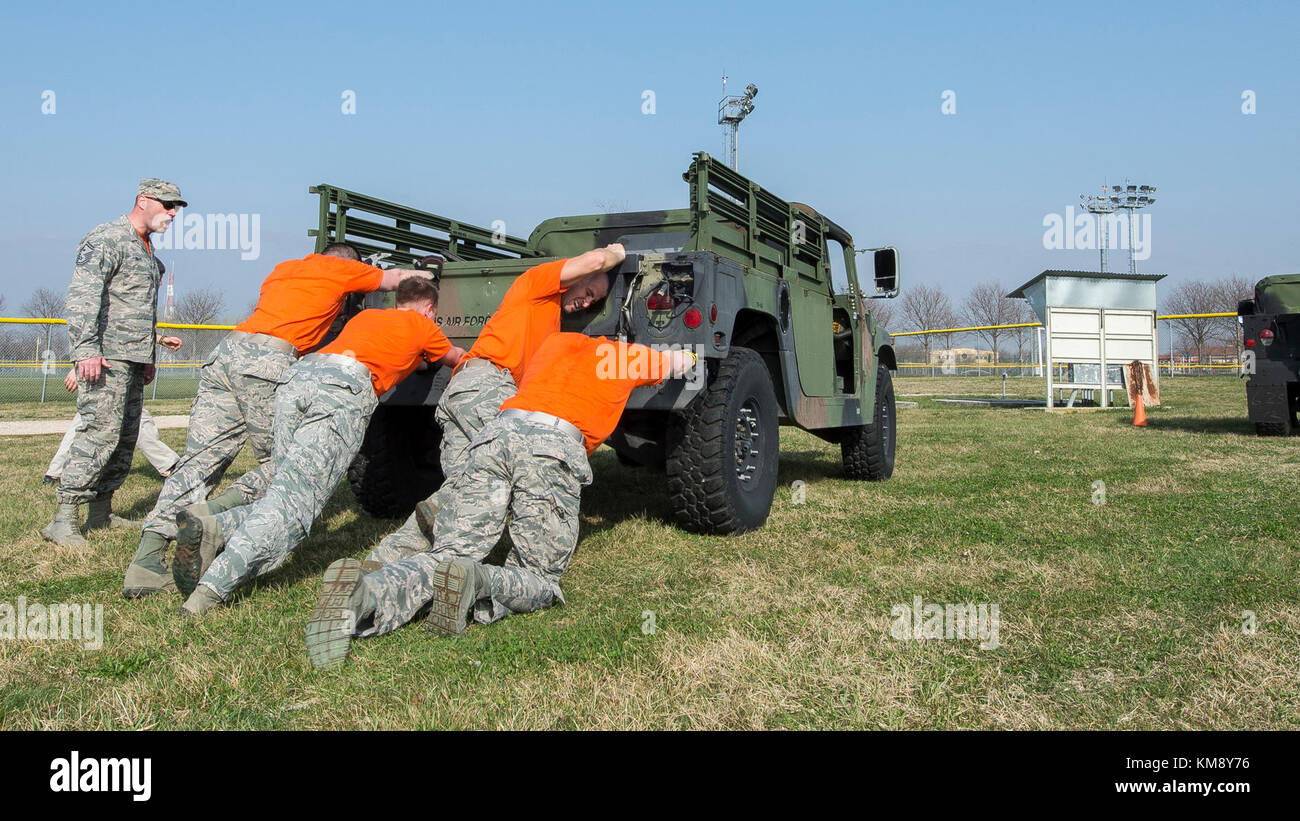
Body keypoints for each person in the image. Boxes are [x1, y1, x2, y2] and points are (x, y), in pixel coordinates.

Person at [304, 332, 696, 669]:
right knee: (541, 578)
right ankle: (479, 581)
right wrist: (690, 355)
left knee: (449, 552)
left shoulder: (554, 345)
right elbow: (678, 362)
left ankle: (363, 597)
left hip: (494, 437)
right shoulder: (625, 356)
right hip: (551, 447)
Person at [123, 244, 434, 599]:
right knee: (283, 466)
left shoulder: (283, 266)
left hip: (227, 353)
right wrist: (427, 273)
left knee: (199, 459)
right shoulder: (340, 268)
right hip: (268, 362)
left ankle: (146, 561)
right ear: (348, 262)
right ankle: (215, 522)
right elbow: (394, 279)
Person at [175, 276, 466, 615]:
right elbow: (452, 356)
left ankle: (216, 528)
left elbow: (396, 352)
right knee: (295, 505)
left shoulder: (367, 318)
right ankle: (210, 591)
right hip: (342, 391)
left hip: (299, 378)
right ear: (430, 308)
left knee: (284, 486)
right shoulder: (424, 326)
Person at [363, 243, 623, 568]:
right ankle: (460, 571)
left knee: (464, 488)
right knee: (499, 478)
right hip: (488, 385)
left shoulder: (548, 324)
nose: (587, 301)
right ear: (574, 277)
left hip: (465, 390)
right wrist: (617, 253)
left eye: (595, 301)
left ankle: (385, 563)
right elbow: (596, 258)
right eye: (588, 290)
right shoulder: (537, 285)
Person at [42, 179, 184, 547]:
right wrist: (85, 350)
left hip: (135, 358)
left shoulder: (149, 253)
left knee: (125, 437)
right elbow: (82, 298)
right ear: (143, 201)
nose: (172, 213)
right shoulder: (106, 239)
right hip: (106, 358)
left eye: (177, 207)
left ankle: (101, 511)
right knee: (98, 434)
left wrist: (150, 354)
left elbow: (135, 310)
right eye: (167, 205)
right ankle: (64, 518)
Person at [45, 334, 183, 485]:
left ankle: (55, 472)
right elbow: (98, 331)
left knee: (84, 421)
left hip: (121, 371)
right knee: (136, 420)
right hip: (110, 371)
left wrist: (161, 340)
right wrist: (79, 365)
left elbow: (135, 329)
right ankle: (169, 465)